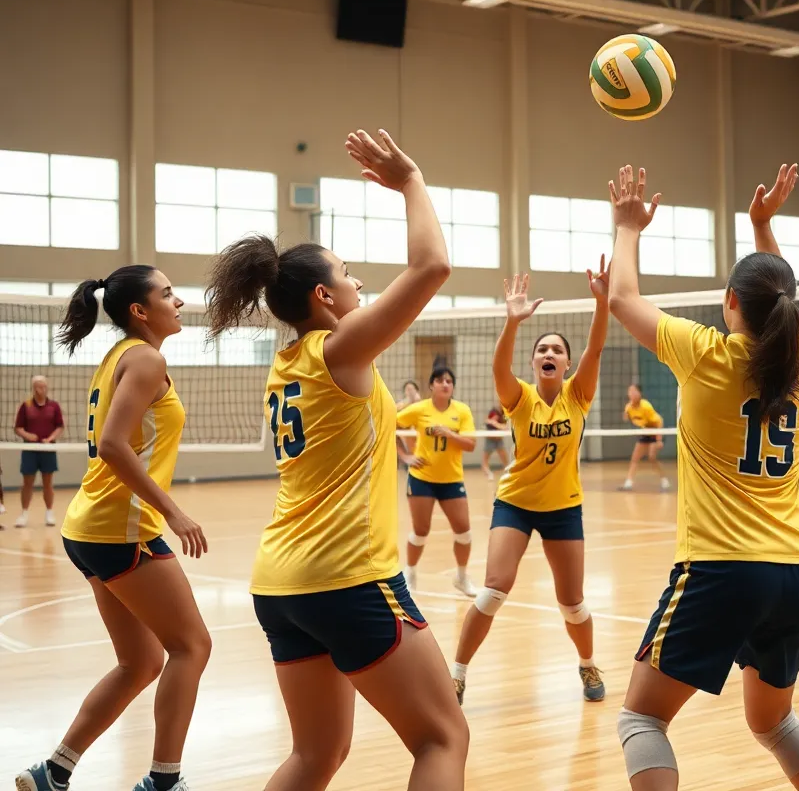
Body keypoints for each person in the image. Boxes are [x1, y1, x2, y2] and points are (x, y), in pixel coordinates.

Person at [203, 129, 467, 791]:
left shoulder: (287, 360)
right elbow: (433, 266)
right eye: (347, 275)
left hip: (279, 583)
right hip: (347, 577)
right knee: (443, 737)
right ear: (324, 299)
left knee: (316, 756)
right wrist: (410, 182)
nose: (357, 283)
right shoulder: (338, 351)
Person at [609, 162, 799, 791]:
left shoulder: (706, 353)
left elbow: (622, 299)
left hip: (721, 568)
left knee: (640, 719)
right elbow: (779, 299)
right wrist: (764, 228)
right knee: (774, 723)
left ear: (730, 302)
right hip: (795, 572)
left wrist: (627, 227)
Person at [16, 267, 211, 791]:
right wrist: (174, 511)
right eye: (168, 293)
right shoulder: (146, 358)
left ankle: (53, 771)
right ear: (139, 312)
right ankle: (163, 783)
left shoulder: (120, 354)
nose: (180, 301)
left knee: (141, 661)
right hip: (119, 528)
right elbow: (113, 445)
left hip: (92, 525)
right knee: (193, 647)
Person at [450, 258, 610, 707]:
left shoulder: (579, 395)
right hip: (516, 503)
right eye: (542, 351)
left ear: (566, 363)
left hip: (563, 507)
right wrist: (513, 322)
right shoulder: (519, 399)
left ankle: (586, 663)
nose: (548, 355)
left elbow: (596, 351)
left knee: (572, 602)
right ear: (534, 361)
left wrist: (602, 304)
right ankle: (457, 674)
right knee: (495, 586)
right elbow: (499, 365)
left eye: (556, 351)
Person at [396, 365, 479, 597]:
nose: (445, 384)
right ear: (431, 385)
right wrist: (405, 456)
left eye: (449, 381)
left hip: (452, 480)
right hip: (422, 478)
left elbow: (471, 444)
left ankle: (462, 577)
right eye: (441, 380)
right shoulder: (419, 409)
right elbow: (389, 424)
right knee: (421, 531)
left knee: (464, 531)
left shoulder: (462, 411)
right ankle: (410, 573)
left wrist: (450, 433)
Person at [13, 375, 64, 528]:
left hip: (48, 448)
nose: (39, 389)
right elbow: (18, 428)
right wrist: (29, 436)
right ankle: (23, 513)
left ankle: (49, 513)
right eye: (36, 386)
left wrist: (50, 439)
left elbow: (60, 426)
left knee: (48, 482)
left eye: (42, 386)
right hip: (29, 449)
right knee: (27, 482)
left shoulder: (54, 406)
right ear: (32, 387)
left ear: (46, 387)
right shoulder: (26, 405)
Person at [620, 384, 670, 492]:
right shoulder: (628, 407)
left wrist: (659, 440)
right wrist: (625, 416)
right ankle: (629, 482)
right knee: (635, 458)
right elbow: (628, 416)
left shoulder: (646, 406)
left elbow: (659, 421)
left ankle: (664, 479)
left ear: (639, 393)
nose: (631, 394)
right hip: (644, 433)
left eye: (634, 391)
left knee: (652, 457)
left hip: (655, 431)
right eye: (630, 391)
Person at [481, 403, 509, 478]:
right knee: (486, 457)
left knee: (503, 455)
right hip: (490, 437)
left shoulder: (505, 413)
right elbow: (489, 421)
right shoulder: (494, 411)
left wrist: (500, 425)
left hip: (498, 437)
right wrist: (497, 424)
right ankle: (487, 472)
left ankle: (507, 470)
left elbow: (505, 426)